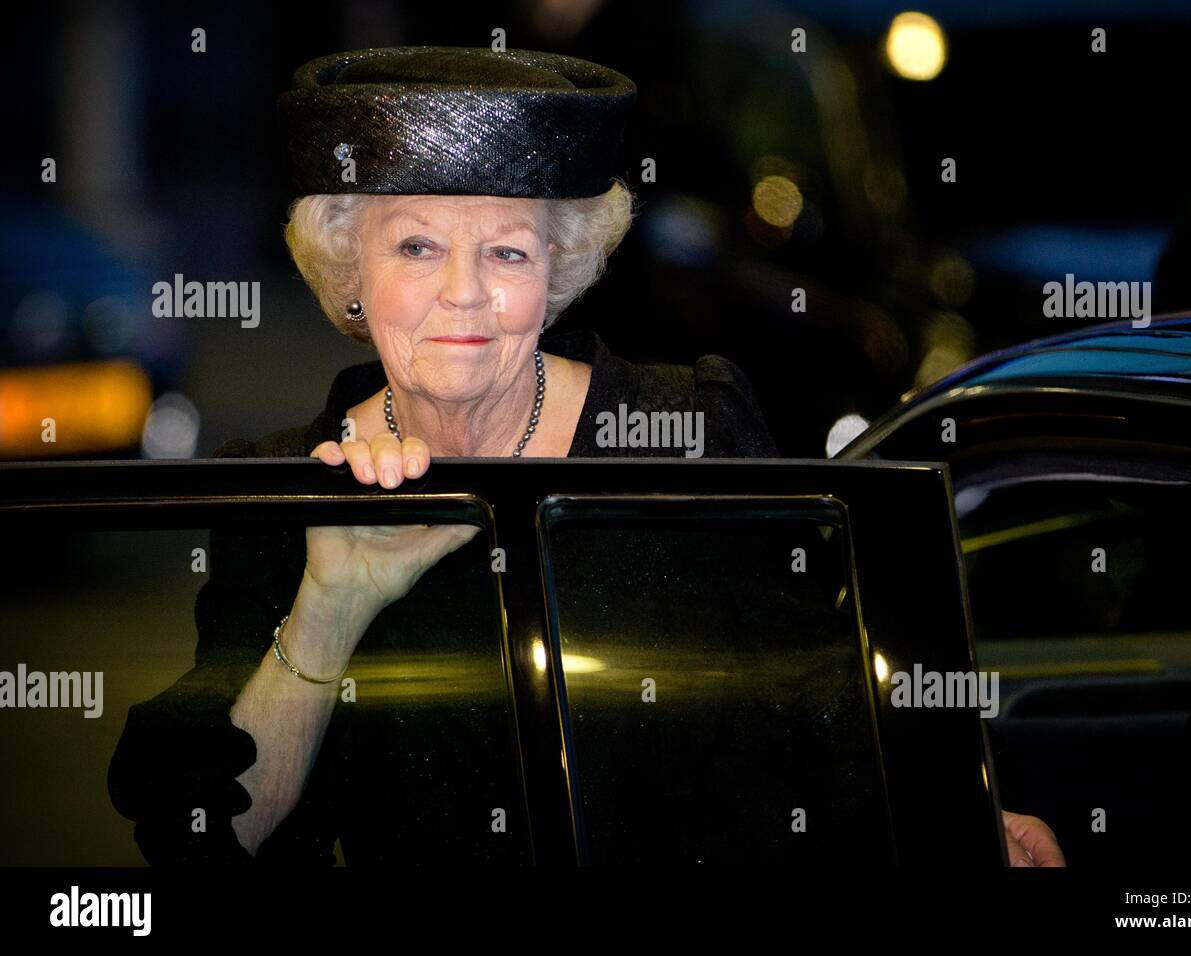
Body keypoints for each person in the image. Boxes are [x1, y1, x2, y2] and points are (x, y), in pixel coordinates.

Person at [107, 45, 1062, 867]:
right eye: (417, 247)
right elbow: (205, 839)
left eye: (509, 254)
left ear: (558, 272)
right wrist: (332, 604)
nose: (465, 296)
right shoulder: (280, 490)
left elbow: (825, 719)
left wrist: (958, 826)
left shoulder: (686, 432)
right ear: (351, 275)